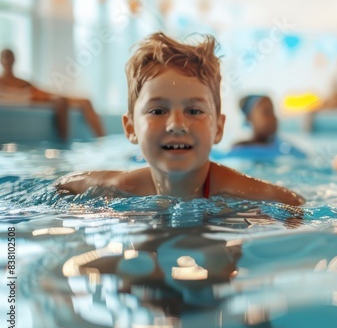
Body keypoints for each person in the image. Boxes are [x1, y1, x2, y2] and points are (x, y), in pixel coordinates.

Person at [55, 32, 303, 205]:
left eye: (194, 111)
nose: (176, 124)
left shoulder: (238, 190)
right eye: (158, 111)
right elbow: (66, 184)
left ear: (218, 128)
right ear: (130, 128)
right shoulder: (124, 186)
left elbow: (294, 204)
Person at [0, 48, 106, 139]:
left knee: (86, 101)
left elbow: (40, 92)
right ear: (1, 60)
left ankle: (102, 139)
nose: (8, 60)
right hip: (34, 99)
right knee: (61, 101)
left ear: (14, 60)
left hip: (39, 96)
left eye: (10, 57)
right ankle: (65, 143)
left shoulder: (23, 82)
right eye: (5, 57)